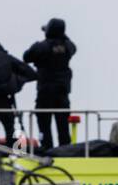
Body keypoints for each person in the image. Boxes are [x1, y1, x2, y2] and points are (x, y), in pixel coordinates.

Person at [23, 18, 77, 150]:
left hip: (45, 90)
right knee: (63, 122)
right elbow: (72, 45)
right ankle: (65, 148)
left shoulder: (41, 46)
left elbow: (26, 57)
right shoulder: (68, 46)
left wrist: (49, 35)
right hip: (62, 91)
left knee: (43, 120)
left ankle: (46, 147)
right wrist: (60, 35)